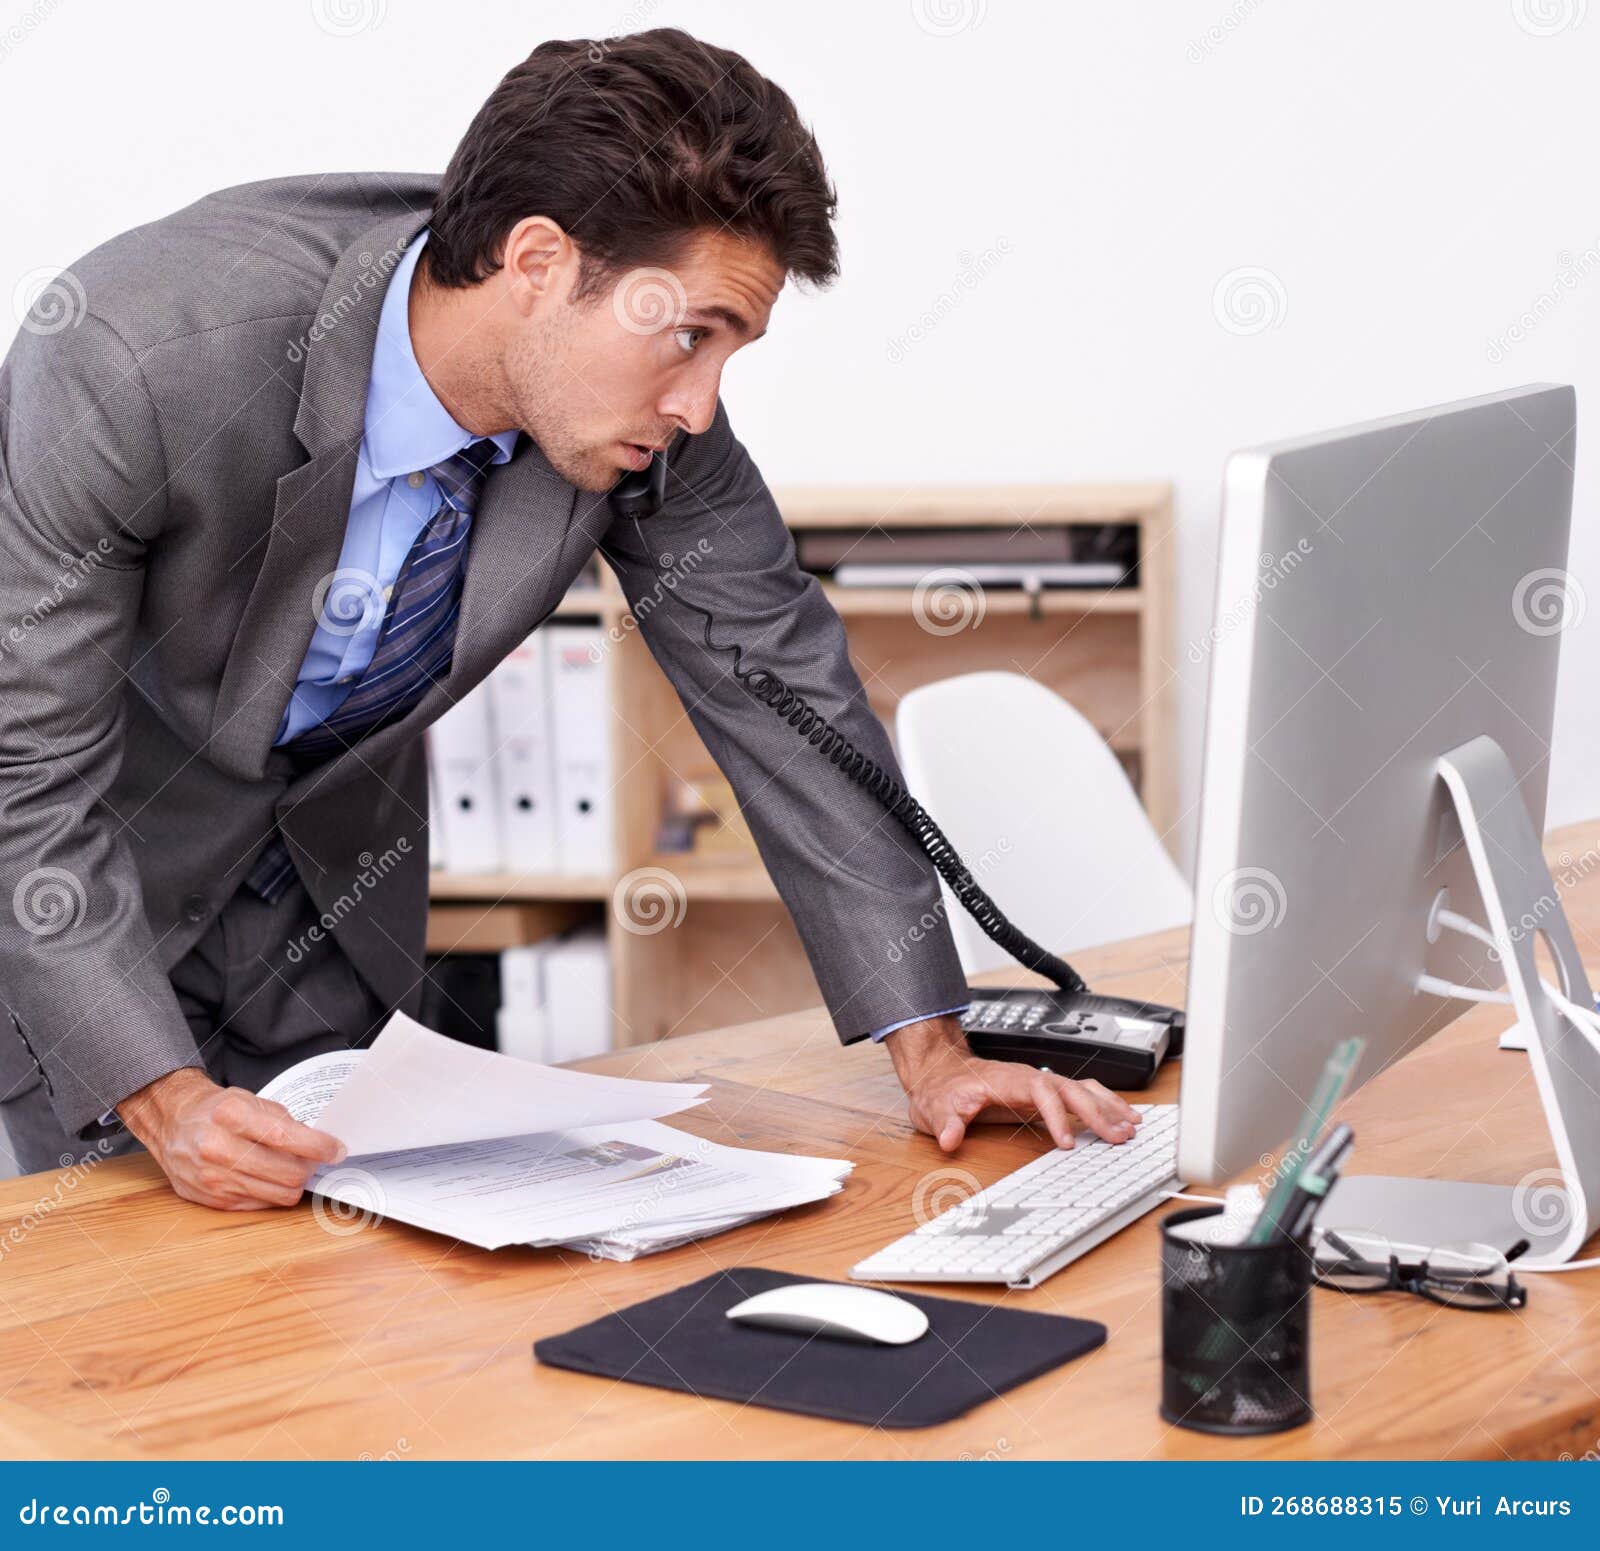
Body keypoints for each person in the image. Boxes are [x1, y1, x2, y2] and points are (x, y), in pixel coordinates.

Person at [0, 28, 1139, 1210]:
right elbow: (21, 768)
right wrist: (160, 1095)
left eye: (729, 350)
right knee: (125, 1300)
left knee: (342, 1287)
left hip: (327, 917)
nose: (700, 406)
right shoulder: (138, 358)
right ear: (538, 262)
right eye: (690, 334)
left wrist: (934, 1048)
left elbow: (784, 693)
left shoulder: (639, 415)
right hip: (85, 913)